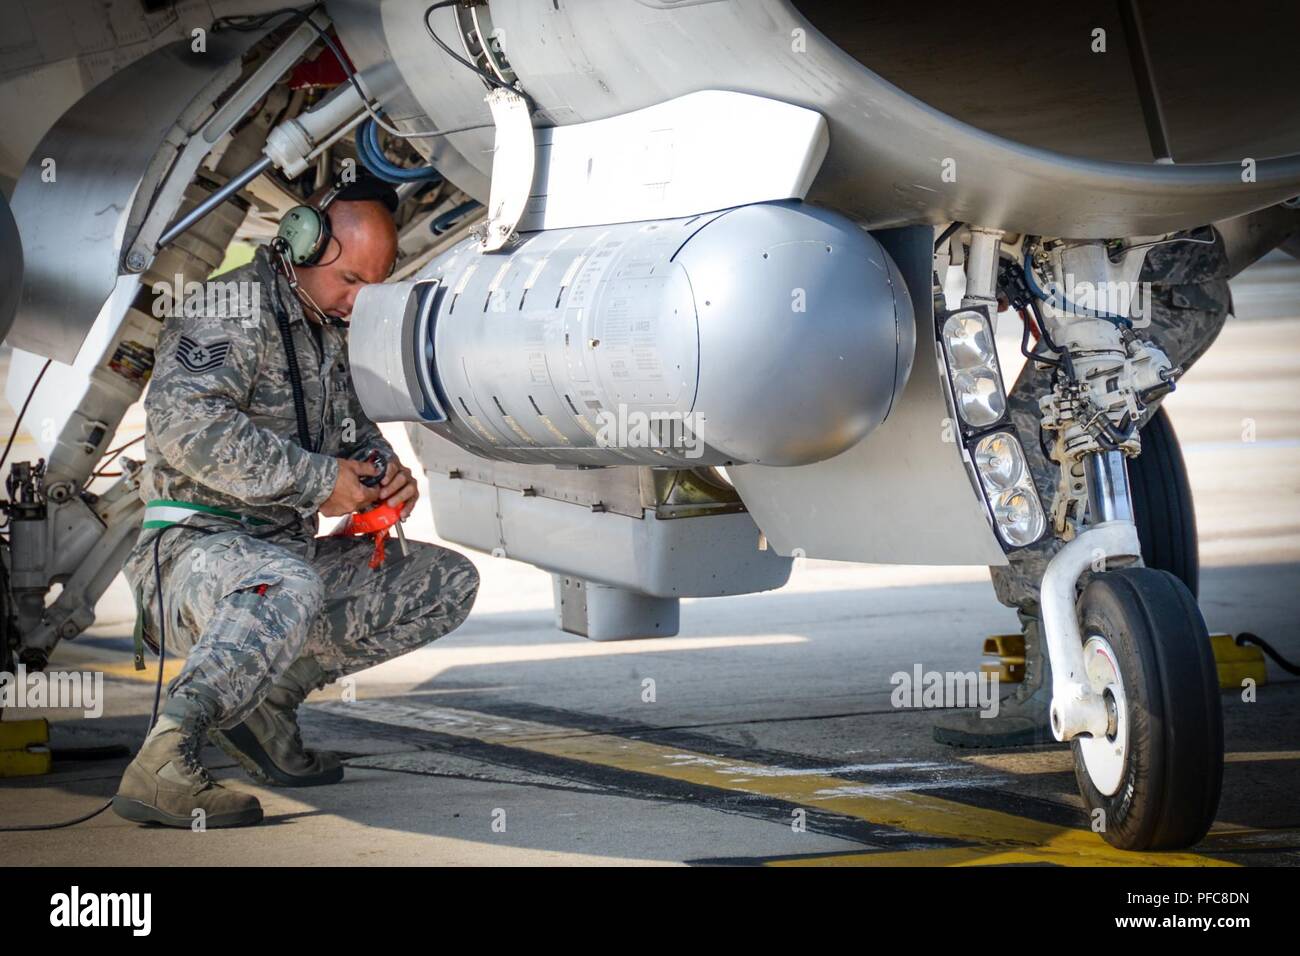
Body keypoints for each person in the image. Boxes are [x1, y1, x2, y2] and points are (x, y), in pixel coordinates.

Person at [112, 176, 480, 828]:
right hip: (193, 556)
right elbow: (186, 428)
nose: (360, 298)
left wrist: (383, 475)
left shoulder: (322, 328)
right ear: (302, 245)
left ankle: (266, 708)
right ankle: (164, 758)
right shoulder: (228, 311)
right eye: (350, 279)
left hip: (285, 559)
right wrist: (318, 483)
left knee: (445, 582)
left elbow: (350, 434)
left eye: (375, 282)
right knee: (282, 583)